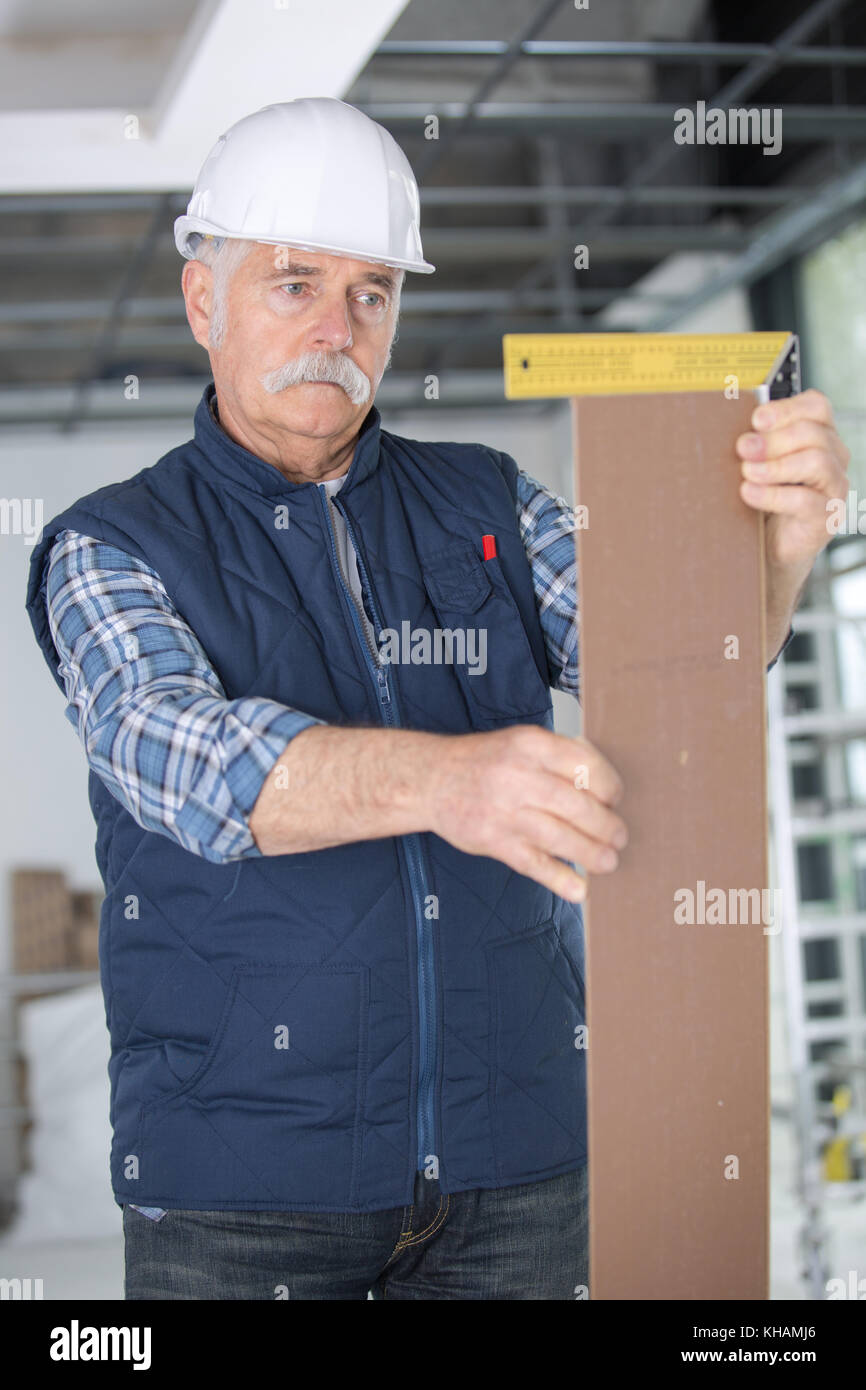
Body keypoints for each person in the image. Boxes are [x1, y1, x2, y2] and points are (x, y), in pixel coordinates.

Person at [25, 98, 847, 1300]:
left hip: (514, 1165)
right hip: (243, 1192)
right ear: (204, 301)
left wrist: (786, 546)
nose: (337, 327)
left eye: (371, 291)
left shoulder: (490, 501)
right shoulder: (111, 544)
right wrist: (450, 780)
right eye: (293, 282)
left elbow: (682, 668)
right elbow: (179, 758)